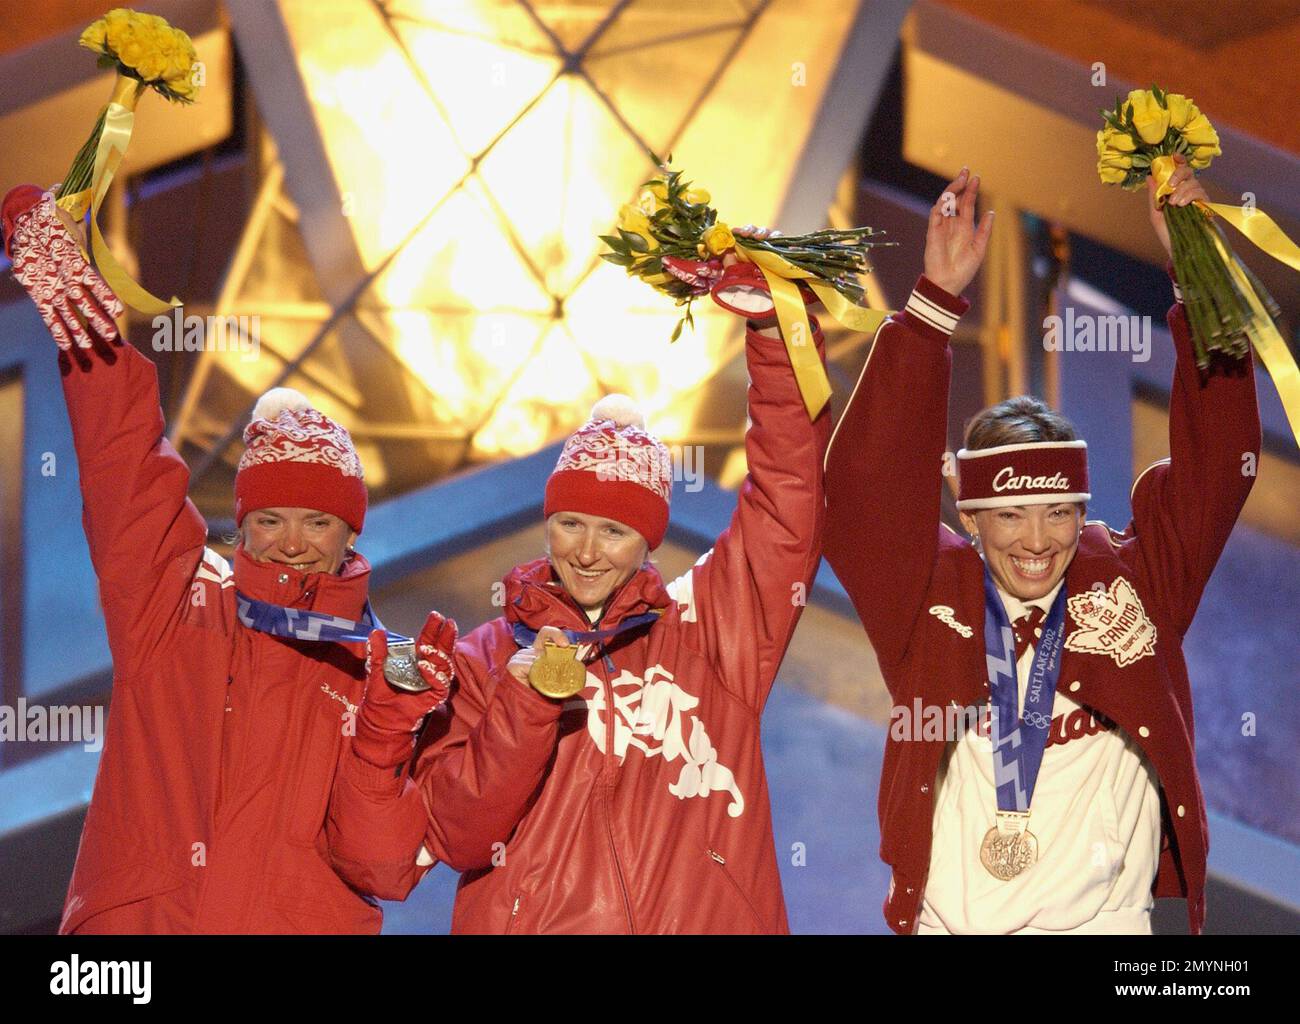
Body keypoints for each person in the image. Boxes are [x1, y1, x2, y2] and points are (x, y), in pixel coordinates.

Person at [324, 229, 832, 933]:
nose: (588, 552)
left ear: (649, 540)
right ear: (547, 522)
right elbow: (459, 836)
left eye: (616, 530)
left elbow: (787, 505)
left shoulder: (710, 630)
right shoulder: (480, 660)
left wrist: (778, 336)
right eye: (569, 525)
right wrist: (525, 705)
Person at [2, 183, 455, 933]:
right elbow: (125, 462)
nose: (290, 541)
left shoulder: (388, 669)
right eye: (268, 518)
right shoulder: (175, 603)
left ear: (352, 535)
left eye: (317, 521)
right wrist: (80, 311)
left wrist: (385, 731)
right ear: (240, 525)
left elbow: (382, 866)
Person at [823, 156, 1260, 934]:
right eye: (1012, 515)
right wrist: (932, 306)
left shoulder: (1133, 581)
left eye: (1059, 512)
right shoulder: (929, 598)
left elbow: (1221, 462)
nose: (1038, 540)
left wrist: (1196, 271)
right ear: (971, 514)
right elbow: (861, 493)